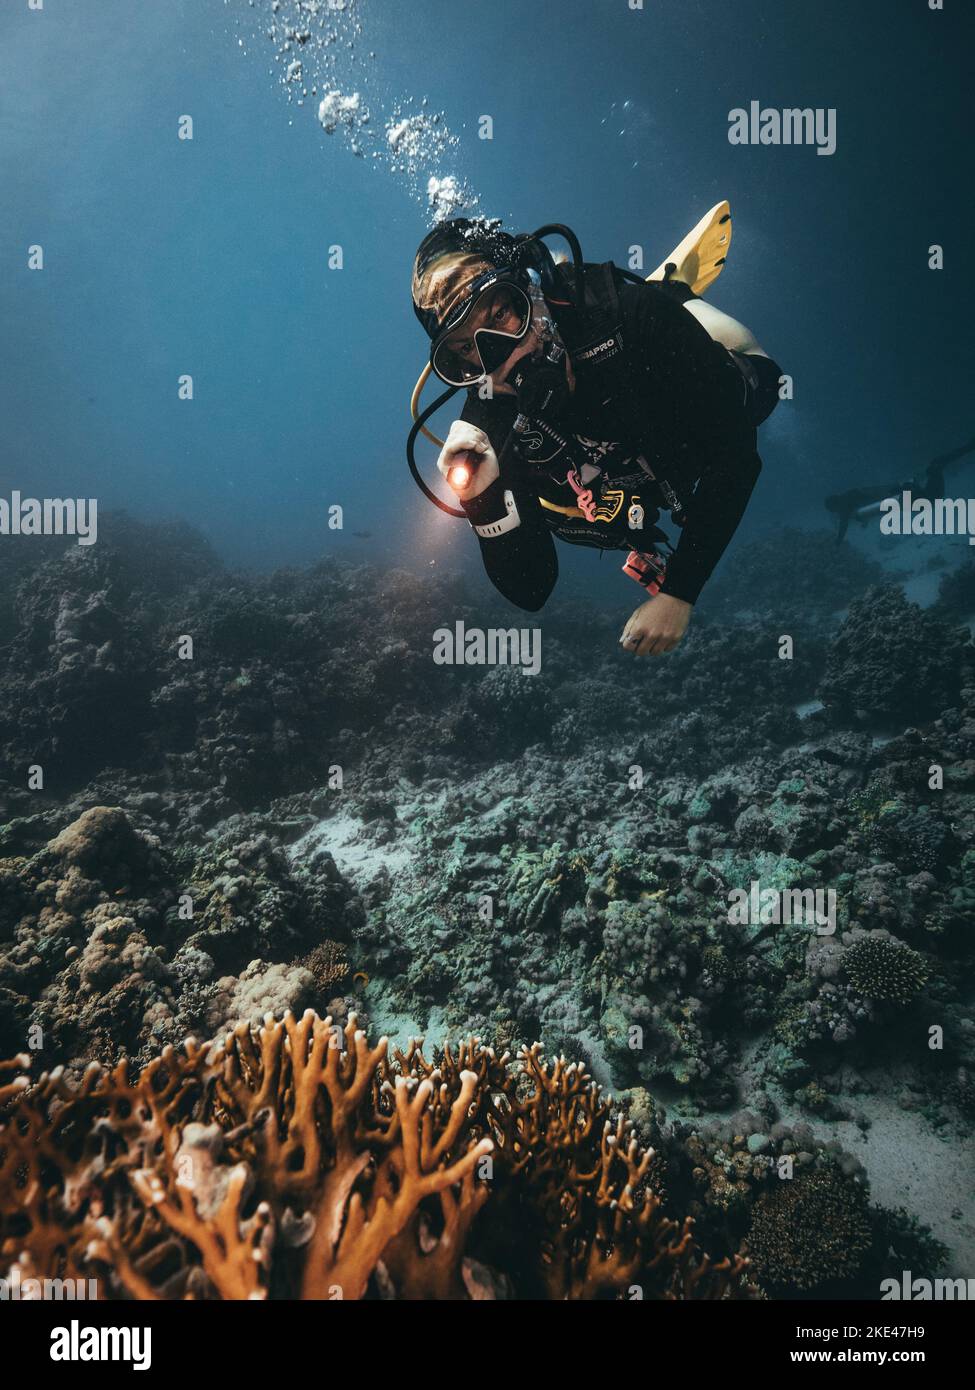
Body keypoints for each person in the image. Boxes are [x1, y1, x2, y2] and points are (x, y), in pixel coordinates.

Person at [411, 212, 782, 655]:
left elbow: (737, 455)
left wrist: (679, 593)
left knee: (759, 384)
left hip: (665, 379)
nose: (500, 357)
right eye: (467, 348)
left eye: (504, 313)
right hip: (619, 479)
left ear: (533, 290)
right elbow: (532, 591)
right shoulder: (490, 428)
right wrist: (482, 498)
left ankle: (673, 291)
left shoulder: (635, 319)